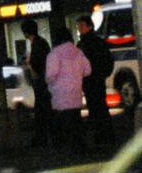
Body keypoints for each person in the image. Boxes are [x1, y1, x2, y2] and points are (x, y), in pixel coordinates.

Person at [46, 25, 91, 154]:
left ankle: (67, 149)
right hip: (76, 92)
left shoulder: (54, 54)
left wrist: (51, 84)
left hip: (60, 94)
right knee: (76, 120)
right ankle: (80, 147)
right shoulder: (78, 52)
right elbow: (88, 70)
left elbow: (50, 75)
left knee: (64, 122)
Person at [75, 15, 115, 151]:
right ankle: (106, 135)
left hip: (90, 81)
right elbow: (108, 61)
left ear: (88, 26)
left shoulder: (83, 45)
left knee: (95, 108)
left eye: (81, 26)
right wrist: (103, 74)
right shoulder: (99, 42)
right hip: (97, 80)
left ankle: (102, 136)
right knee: (101, 107)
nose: (79, 29)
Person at [21, 19, 52, 148]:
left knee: (42, 112)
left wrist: (29, 63)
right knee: (44, 111)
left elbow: (37, 66)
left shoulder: (37, 44)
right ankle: (45, 138)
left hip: (41, 84)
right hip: (44, 84)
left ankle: (42, 139)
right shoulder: (41, 42)